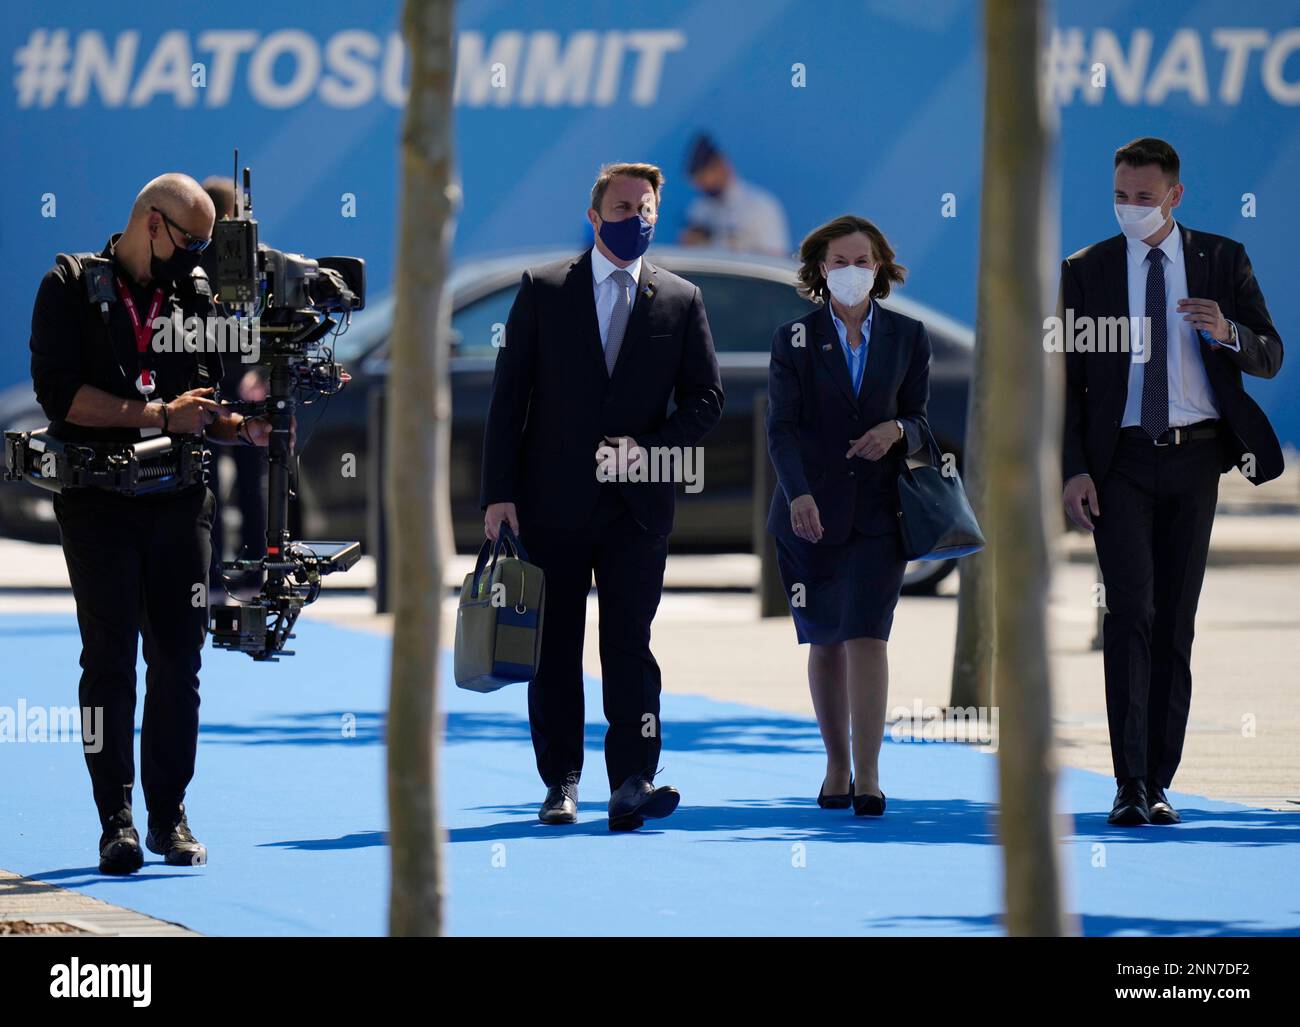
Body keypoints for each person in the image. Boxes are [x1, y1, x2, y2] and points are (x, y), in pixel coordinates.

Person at [28, 173, 278, 874]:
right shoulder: (70, 286)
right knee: (107, 662)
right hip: (98, 503)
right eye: (190, 240)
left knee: (179, 658)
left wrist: (245, 426)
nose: (198, 256)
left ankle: (169, 815)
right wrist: (159, 416)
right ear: (151, 223)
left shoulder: (195, 296)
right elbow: (62, 397)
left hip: (178, 503)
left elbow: (209, 400)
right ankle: (116, 820)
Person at [481, 162, 724, 831]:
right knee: (554, 647)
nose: (636, 219)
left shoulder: (680, 299)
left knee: (629, 646)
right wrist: (498, 493)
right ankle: (561, 781)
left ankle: (633, 780)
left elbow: (708, 399)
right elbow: (510, 400)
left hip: (637, 509)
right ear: (594, 217)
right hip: (550, 502)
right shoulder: (544, 288)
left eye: (646, 208)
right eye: (622, 207)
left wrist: (650, 448)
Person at [1060, 137, 1284, 826]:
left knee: (1175, 623)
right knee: (1130, 614)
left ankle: (1159, 778)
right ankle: (1128, 782)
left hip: (1196, 458)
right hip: (1121, 460)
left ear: (1175, 196)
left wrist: (1228, 333)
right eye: (1120, 195)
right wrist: (1071, 470)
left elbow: (1270, 354)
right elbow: (1067, 384)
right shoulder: (1088, 270)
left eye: (1144, 197)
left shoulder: (1221, 259)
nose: (1131, 208)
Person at [765, 215, 931, 818]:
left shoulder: (909, 336)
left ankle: (869, 775)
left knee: (869, 634)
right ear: (820, 269)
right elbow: (780, 428)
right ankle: (835, 766)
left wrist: (896, 430)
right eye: (840, 261)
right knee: (826, 639)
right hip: (808, 512)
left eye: (863, 261)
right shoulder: (795, 339)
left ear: (881, 267)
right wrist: (799, 493)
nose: (852, 271)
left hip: (880, 514)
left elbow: (921, 421)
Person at [200, 175, 267, 598]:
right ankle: (241, 570)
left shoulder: (244, 260)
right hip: (227, 382)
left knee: (222, 483)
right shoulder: (220, 260)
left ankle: (218, 572)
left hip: (225, 381)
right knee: (231, 483)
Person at [678, 133, 791, 257]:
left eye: (705, 175)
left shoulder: (761, 206)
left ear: (721, 166)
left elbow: (776, 258)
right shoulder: (700, 209)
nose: (702, 185)